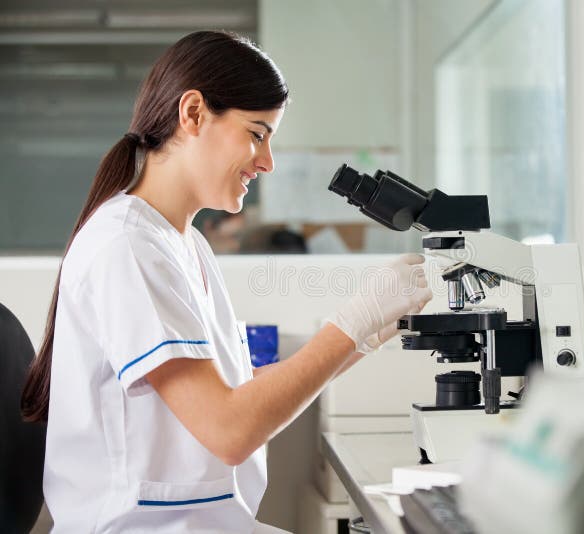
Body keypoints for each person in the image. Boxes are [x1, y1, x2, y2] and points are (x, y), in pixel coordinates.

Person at [20, 31, 431, 533]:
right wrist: (350, 323)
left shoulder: (184, 243)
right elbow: (229, 428)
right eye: (257, 133)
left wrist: (367, 335)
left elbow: (235, 394)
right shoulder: (127, 246)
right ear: (192, 114)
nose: (267, 162)